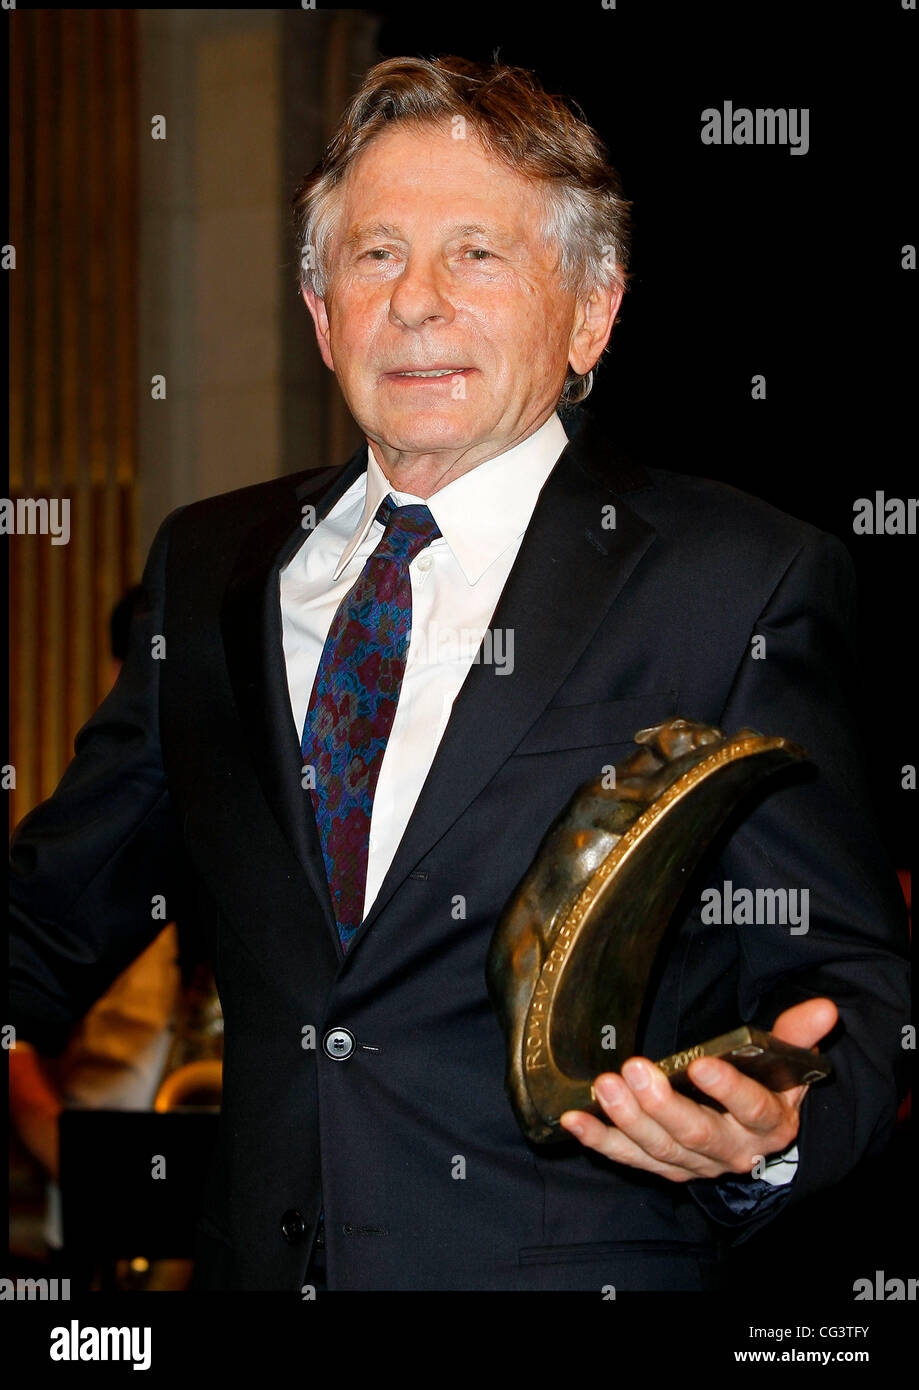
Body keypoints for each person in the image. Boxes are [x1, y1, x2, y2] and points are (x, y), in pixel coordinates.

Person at [9, 54, 909, 1292]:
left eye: (477, 255)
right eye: (375, 256)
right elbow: (53, 917)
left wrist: (766, 1128)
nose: (417, 303)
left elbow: (841, 980)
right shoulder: (207, 566)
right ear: (320, 314)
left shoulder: (735, 579)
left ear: (590, 311)